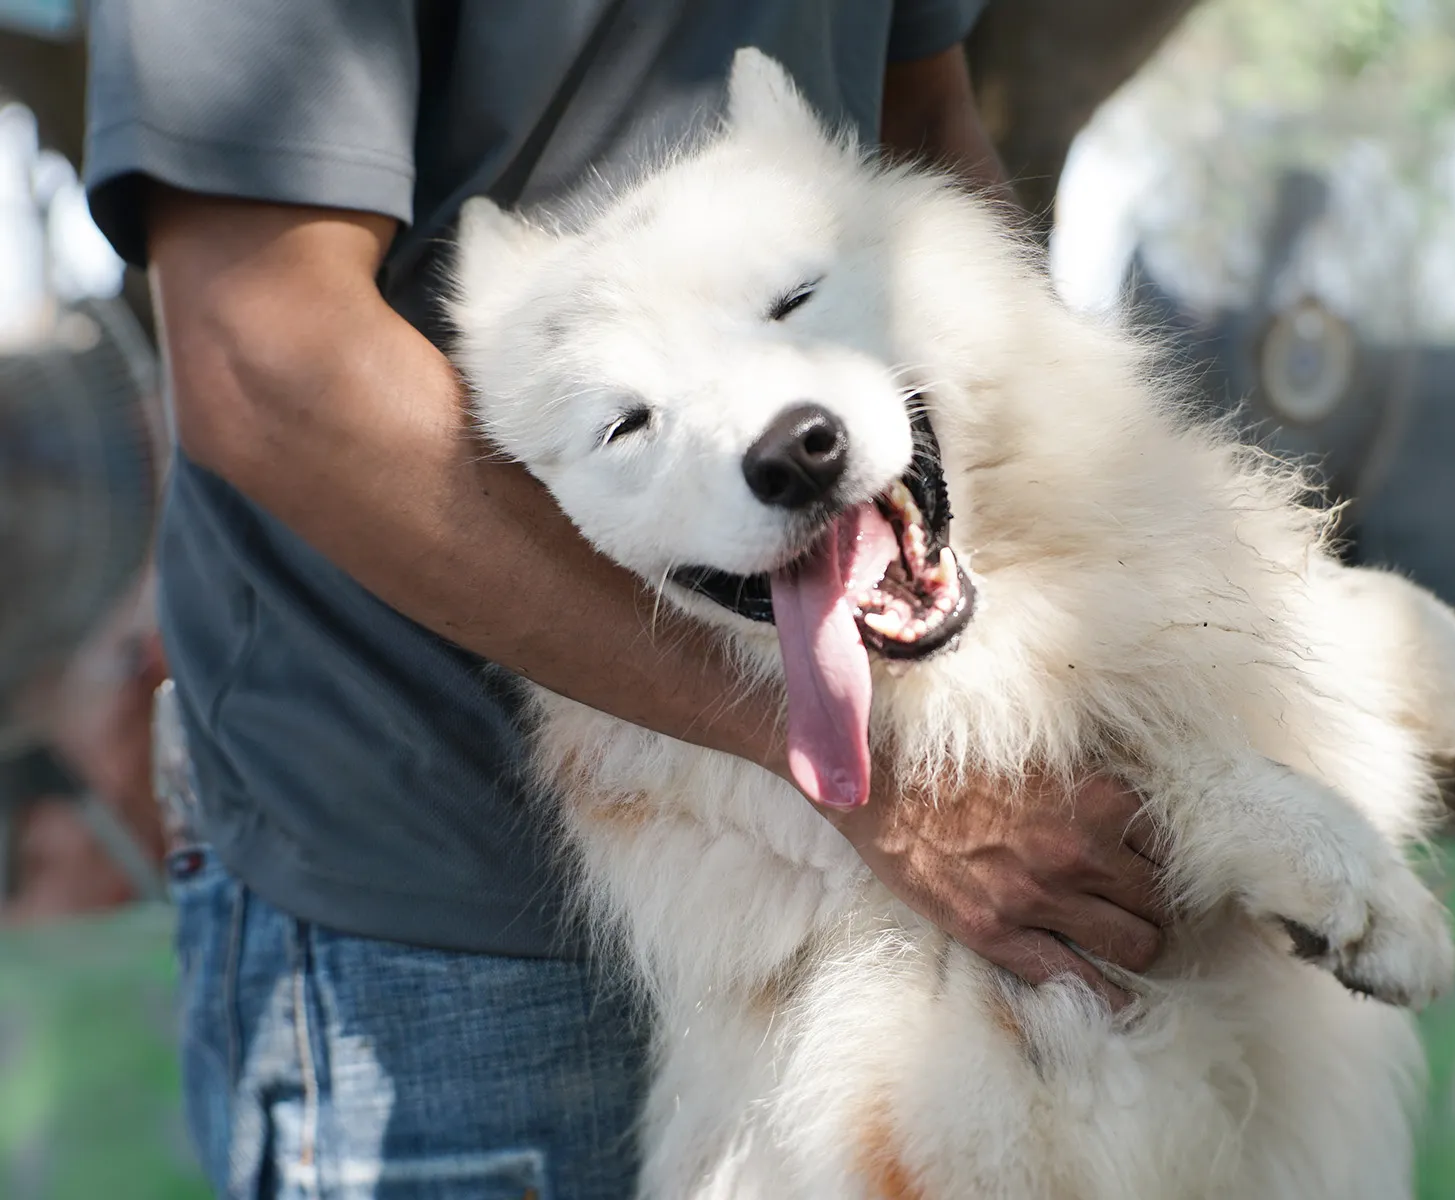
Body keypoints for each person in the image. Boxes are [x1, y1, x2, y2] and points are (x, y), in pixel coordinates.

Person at [83, 3, 1169, 1195]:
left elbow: (917, 123)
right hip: (454, 925)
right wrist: (877, 780)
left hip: (927, 882)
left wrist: (1141, 599)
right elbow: (267, 357)